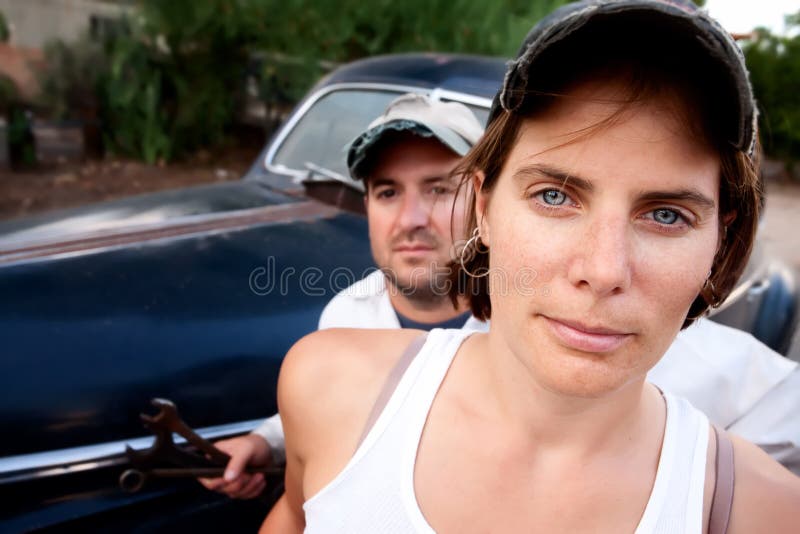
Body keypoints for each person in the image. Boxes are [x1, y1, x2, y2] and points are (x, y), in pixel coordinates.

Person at [264, 1, 800, 532]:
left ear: (720, 242)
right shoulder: (329, 384)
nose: (604, 268)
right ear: (484, 208)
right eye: (553, 197)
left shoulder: (763, 510)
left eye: (666, 214)